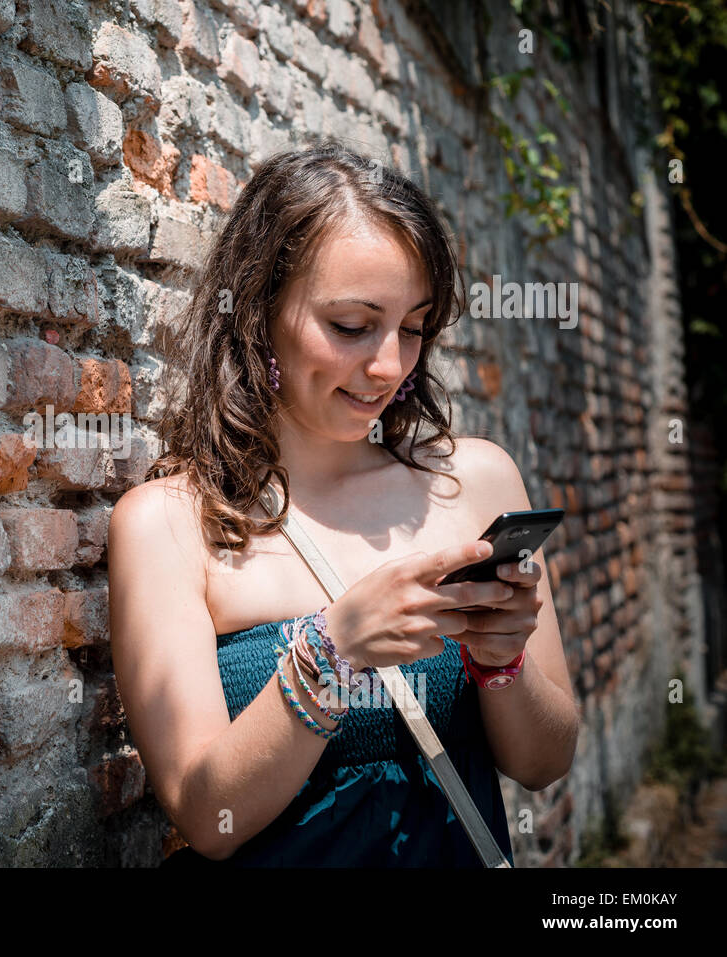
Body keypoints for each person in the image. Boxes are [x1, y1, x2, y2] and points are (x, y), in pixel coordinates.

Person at [107, 141, 581, 866]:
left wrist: (501, 662)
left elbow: (546, 761)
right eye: (352, 326)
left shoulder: (475, 481)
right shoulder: (168, 525)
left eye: (414, 327)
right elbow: (209, 816)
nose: (390, 365)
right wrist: (336, 648)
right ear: (261, 314)